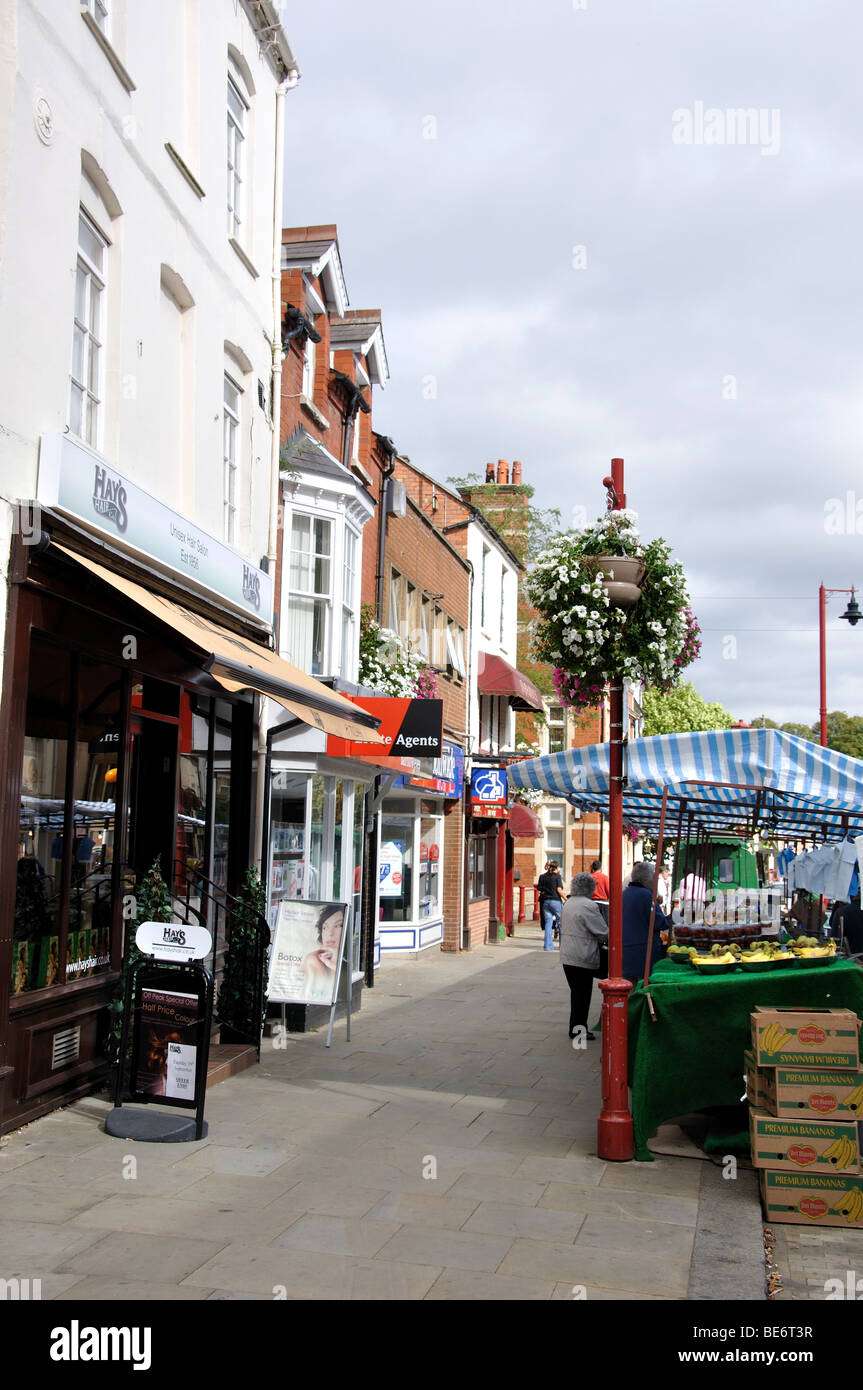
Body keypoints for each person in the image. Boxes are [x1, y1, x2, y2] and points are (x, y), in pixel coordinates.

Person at [560, 872, 608, 1039]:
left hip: (567, 955)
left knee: (576, 993)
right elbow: (602, 931)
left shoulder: (569, 903)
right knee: (583, 995)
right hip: (583, 955)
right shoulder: (589, 906)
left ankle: (575, 1027)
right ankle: (578, 1030)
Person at [622, 861, 669, 983]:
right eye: (655, 878)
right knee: (642, 990)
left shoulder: (624, 894)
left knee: (629, 990)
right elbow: (659, 922)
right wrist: (674, 917)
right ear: (647, 879)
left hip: (625, 954)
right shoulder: (646, 896)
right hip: (643, 954)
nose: (656, 882)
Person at [302, 905, 345, 996]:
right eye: (325, 927)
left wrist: (334, 967)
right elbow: (320, 995)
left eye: (337, 926)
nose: (330, 933)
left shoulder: (344, 959)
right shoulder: (314, 959)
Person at [536, 860, 564, 950]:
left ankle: (548, 946)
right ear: (556, 868)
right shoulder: (557, 877)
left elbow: (539, 887)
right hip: (555, 901)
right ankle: (562, 946)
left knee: (548, 923)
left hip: (546, 902)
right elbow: (559, 890)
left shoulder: (542, 877)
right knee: (560, 923)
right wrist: (566, 899)